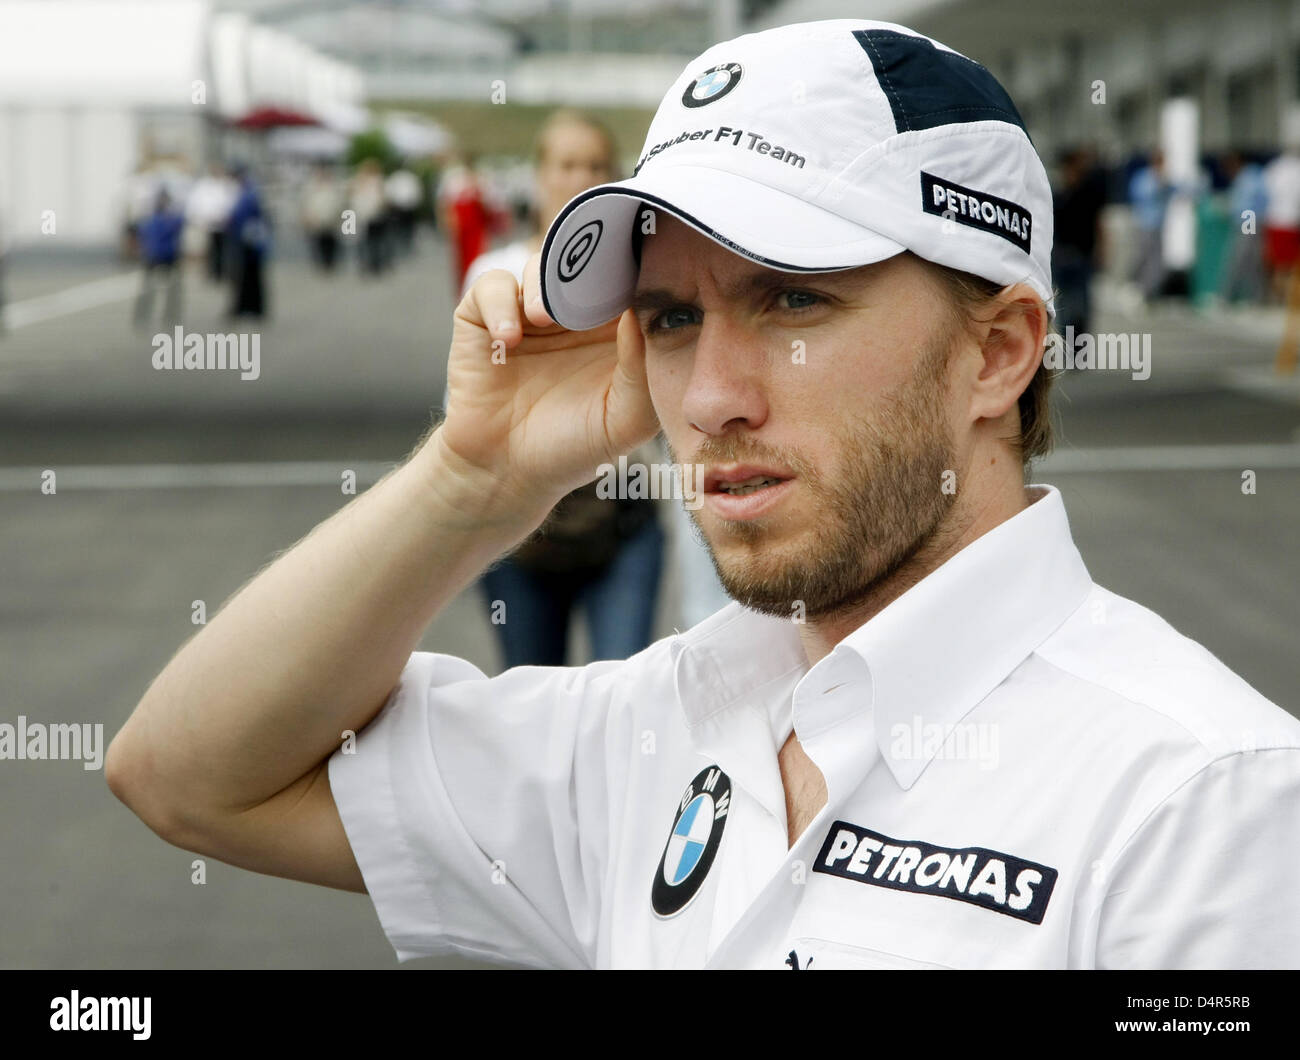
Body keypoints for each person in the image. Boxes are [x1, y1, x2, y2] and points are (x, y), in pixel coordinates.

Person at [107, 19, 1300, 969]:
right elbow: (186, 777)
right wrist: (477, 482)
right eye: (672, 317)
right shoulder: (652, 722)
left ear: (996, 352)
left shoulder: (1205, 804)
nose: (713, 396)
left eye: (793, 300)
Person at [457, 110, 666, 668]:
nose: (582, 176)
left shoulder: (646, 269)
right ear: (540, 174)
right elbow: (472, 396)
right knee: (528, 699)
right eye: (568, 163)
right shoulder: (495, 271)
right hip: (518, 528)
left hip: (624, 514)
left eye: (597, 164)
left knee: (625, 692)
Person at [1051, 146, 1106, 344]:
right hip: (1061, 256)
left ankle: (1080, 347)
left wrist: (1102, 250)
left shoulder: (1089, 194)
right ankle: (1069, 347)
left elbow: (1099, 223)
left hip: (1082, 256)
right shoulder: (1057, 194)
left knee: (1081, 306)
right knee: (1063, 307)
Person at [132, 188, 185, 327]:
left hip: (169, 256)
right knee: (148, 289)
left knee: (173, 290)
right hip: (154, 256)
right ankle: (142, 317)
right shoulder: (151, 220)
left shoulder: (171, 219)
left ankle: (170, 317)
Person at [226, 165, 270, 318]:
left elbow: (241, 216)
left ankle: (248, 307)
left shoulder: (247, 193)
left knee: (246, 275)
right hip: (247, 240)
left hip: (247, 241)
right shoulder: (248, 191)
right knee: (249, 275)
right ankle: (249, 307)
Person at [186, 163, 237, 282]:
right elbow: (196, 204)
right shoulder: (204, 186)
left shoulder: (226, 185)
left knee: (222, 250)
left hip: (223, 225)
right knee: (208, 250)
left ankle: (221, 273)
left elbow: (231, 203)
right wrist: (199, 219)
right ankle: (210, 273)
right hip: (206, 224)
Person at [301, 163, 345, 272]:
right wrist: (307, 216)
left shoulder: (334, 187)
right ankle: (322, 263)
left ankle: (329, 263)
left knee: (331, 243)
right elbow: (306, 203)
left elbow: (339, 203)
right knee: (318, 243)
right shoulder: (311, 187)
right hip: (317, 220)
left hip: (331, 220)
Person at [350, 159, 389, 275]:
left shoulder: (378, 182)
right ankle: (366, 264)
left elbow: (382, 199)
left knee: (373, 242)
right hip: (362, 217)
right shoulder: (357, 182)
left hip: (375, 217)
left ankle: (374, 264)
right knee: (364, 242)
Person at [384, 164, 423, 258]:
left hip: (406, 206)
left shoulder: (402, 177)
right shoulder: (399, 177)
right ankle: (405, 244)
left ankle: (406, 244)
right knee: (403, 227)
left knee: (406, 228)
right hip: (402, 206)